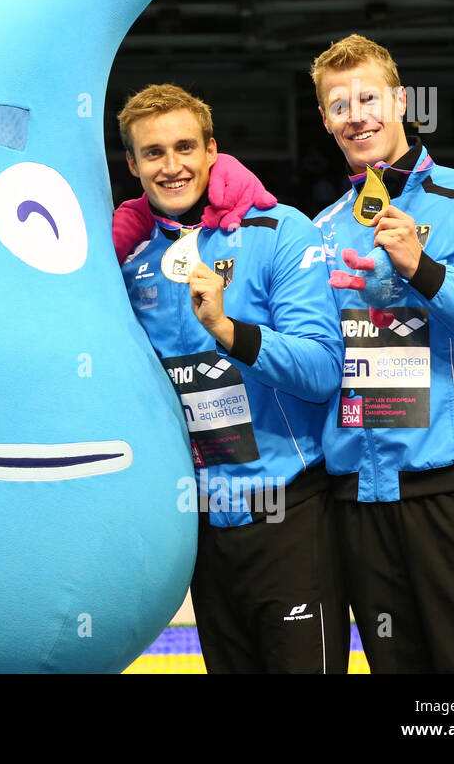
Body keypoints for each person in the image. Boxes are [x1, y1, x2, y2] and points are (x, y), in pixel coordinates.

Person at [310, 33, 454, 673]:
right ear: (325, 120)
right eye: (338, 104)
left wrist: (425, 270)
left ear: (402, 100)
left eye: (369, 97)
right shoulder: (323, 230)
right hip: (358, 505)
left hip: (452, 495)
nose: (357, 115)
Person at [113, 83, 347, 673]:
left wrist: (226, 327)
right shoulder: (127, 261)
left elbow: (322, 371)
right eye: (154, 153)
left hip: (289, 516)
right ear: (133, 164)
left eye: (185, 147)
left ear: (213, 149)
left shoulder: (281, 232)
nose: (172, 166)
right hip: (200, 528)